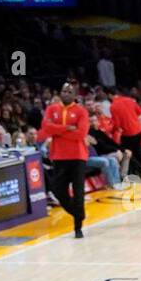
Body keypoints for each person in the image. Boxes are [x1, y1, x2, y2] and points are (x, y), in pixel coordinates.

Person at [38, 82, 90, 238]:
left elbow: (80, 134)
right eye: (63, 91)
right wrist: (67, 128)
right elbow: (46, 128)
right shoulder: (52, 109)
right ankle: (78, 214)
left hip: (78, 156)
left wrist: (57, 130)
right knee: (58, 190)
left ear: (75, 95)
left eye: (69, 91)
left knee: (78, 192)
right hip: (59, 156)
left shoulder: (81, 111)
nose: (66, 93)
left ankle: (77, 227)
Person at [110, 88, 141, 181]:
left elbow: (117, 125)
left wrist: (113, 130)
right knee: (138, 153)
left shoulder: (113, 106)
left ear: (110, 95)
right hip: (138, 131)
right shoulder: (130, 100)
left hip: (127, 134)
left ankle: (134, 174)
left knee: (129, 155)